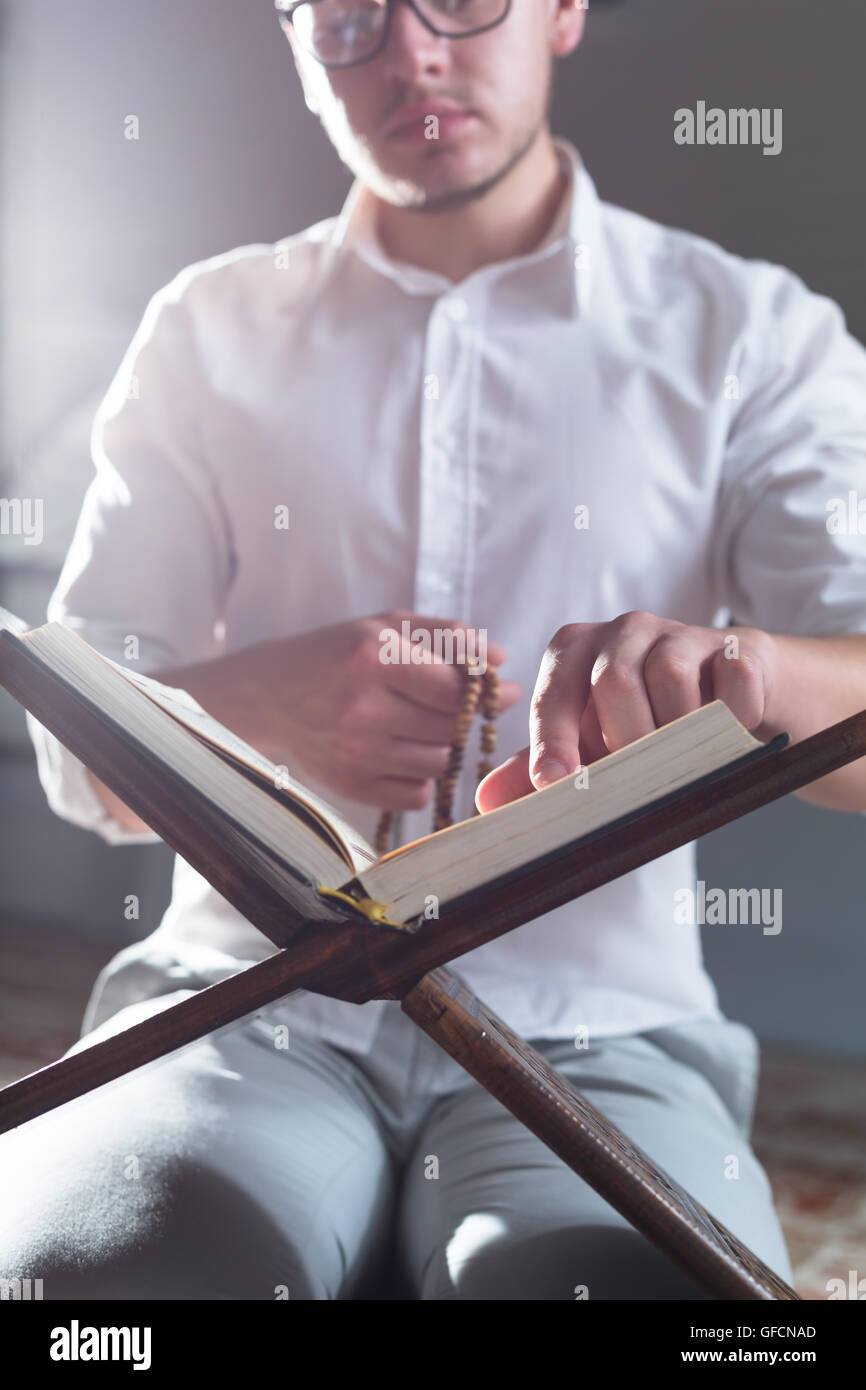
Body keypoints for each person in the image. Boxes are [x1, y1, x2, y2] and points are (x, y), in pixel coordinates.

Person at [2, 0, 865, 1301]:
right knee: (96, 1293)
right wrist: (261, 705)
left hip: (601, 1033)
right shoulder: (205, 327)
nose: (409, 52)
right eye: (347, 16)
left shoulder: (749, 334)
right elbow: (81, 761)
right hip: (245, 1009)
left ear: (564, 9)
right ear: (291, 38)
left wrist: (736, 680)